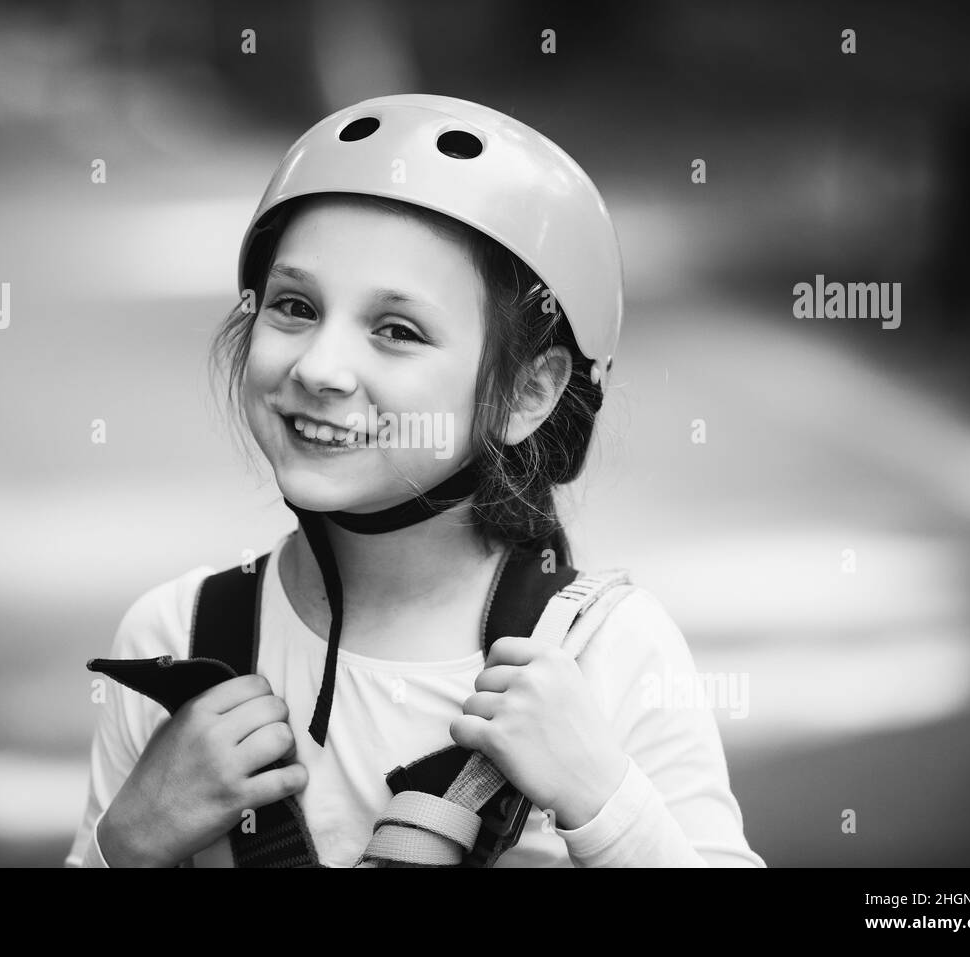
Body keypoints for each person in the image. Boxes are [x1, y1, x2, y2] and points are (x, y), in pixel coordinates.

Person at [65, 94, 765, 868]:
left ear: (529, 393)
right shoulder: (179, 641)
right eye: (295, 307)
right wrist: (126, 842)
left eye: (396, 330)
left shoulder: (607, 656)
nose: (320, 367)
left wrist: (605, 801)